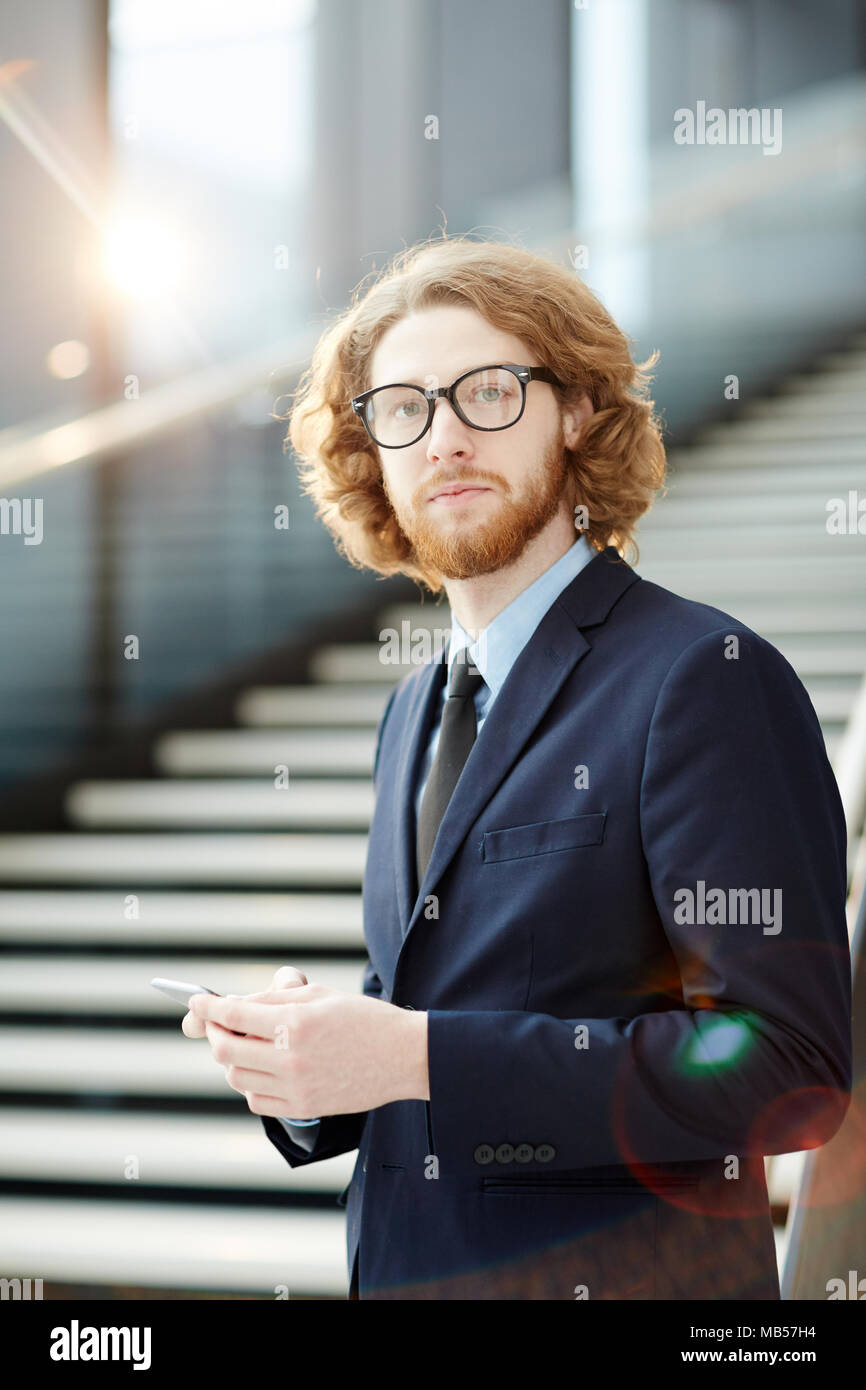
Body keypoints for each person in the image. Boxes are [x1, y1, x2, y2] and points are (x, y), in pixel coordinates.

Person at [183, 235, 852, 1300]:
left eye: (487, 393)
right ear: (373, 451)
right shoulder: (411, 710)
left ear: (576, 410)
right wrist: (312, 1071)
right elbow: (443, 1008)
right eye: (402, 407)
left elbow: (789, 1067)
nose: (443, 436)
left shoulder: (703, 678)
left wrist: (419, 1057)